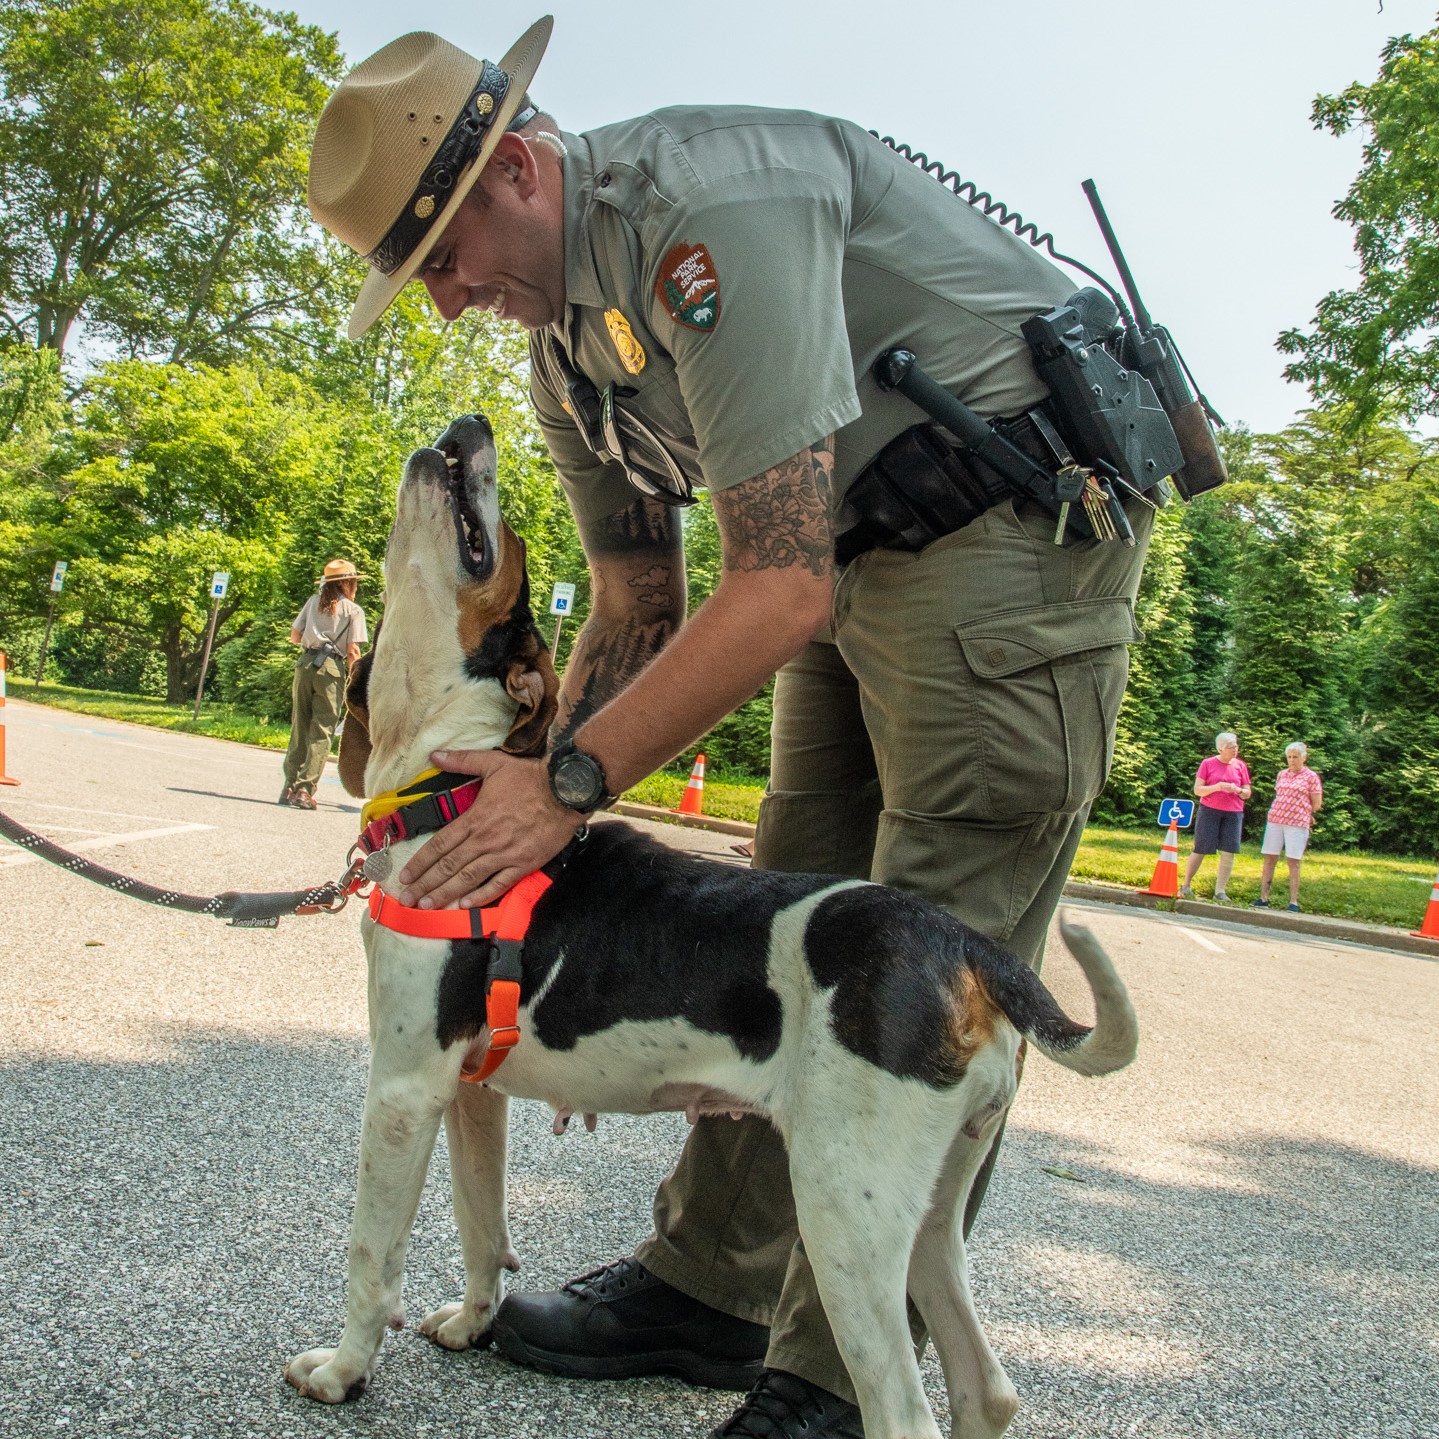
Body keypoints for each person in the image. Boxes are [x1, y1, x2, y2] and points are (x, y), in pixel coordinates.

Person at [306, 19, 1159, 1436]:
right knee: (787, 904)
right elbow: (640, 600)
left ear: (517, 167)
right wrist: (528, 788)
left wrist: (568, 784)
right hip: (849, 557)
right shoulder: (561, 351)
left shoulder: (704, 209)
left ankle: (837, 1381)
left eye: (443, 257)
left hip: (1002, 530)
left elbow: (774, 583)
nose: (446, 302)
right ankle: (710, 1285)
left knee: (906, 951)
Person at [280, 559, 367, 811]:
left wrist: (316, 636)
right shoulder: (353, 610)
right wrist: (356, 678)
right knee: (322, 729)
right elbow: (353, 650)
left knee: (300, 726)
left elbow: (295, 636)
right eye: (353, 581)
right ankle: (305, 791)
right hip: (331, 669)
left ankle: (288, 786)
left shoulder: (312, 603)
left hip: (304, 665)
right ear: (345, 582)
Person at [1180, 730, 1251, 901]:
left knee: (1228, 851)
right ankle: (1186, 885)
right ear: (1220, 749)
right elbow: (1198, 790)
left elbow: (1247, 792)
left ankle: (1220, 891)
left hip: (1233, 812)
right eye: (1230, 747)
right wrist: (1217, 787)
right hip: (1210, 810)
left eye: (1236, 746)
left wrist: (1239, 790)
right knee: (1201, 847)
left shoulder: (1240, 766)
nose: (1234, 750)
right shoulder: (1208, 763)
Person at [1253, 742, 1322, 912]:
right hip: (1276, 819)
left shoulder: (1311, 777)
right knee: (1270, 857)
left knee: (1293, 860)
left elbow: (1316, 803)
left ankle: (1293, 901)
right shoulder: (1282, 774)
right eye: (1289, 757)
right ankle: (1263, 897)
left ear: (1304, 757)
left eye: (1295, 757)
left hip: (1297, 822)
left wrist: (1304, 812)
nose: (1292, 760)